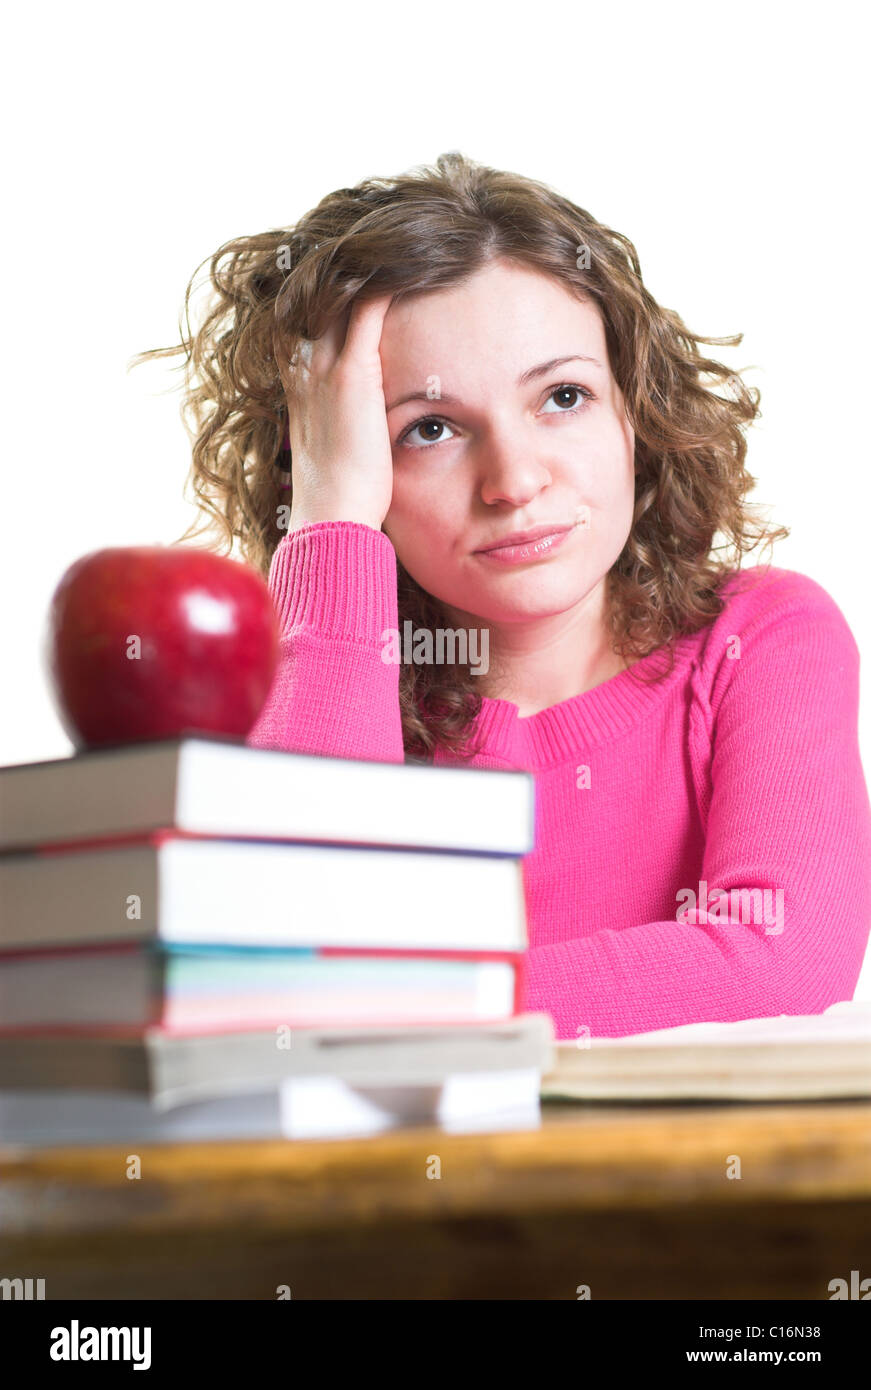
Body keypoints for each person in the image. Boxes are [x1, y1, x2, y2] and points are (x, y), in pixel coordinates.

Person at [133, 151, 871, 1039]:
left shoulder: (761, 636)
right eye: (429, 430)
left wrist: (397, 1001)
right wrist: (330, 518)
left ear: (633, 411)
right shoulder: (302, 685)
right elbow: (288, 975)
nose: (514, 480)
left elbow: (786, 955)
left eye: (563, 396)